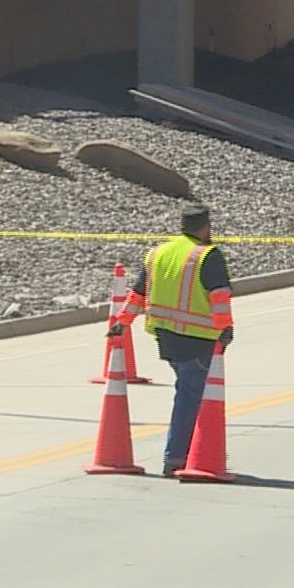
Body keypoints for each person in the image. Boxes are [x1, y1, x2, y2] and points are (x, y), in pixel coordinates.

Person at [108, 202, 234, 477]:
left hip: (166, 337)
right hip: (198, 338)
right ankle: (176, 457)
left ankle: (192, 452)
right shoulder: (207, 255)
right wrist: (226, 328)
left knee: (191, 393)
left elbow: (138, 292)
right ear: (206, 227)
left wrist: (122, 322)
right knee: (191, 397)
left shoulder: (159, 253)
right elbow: (219, 296)